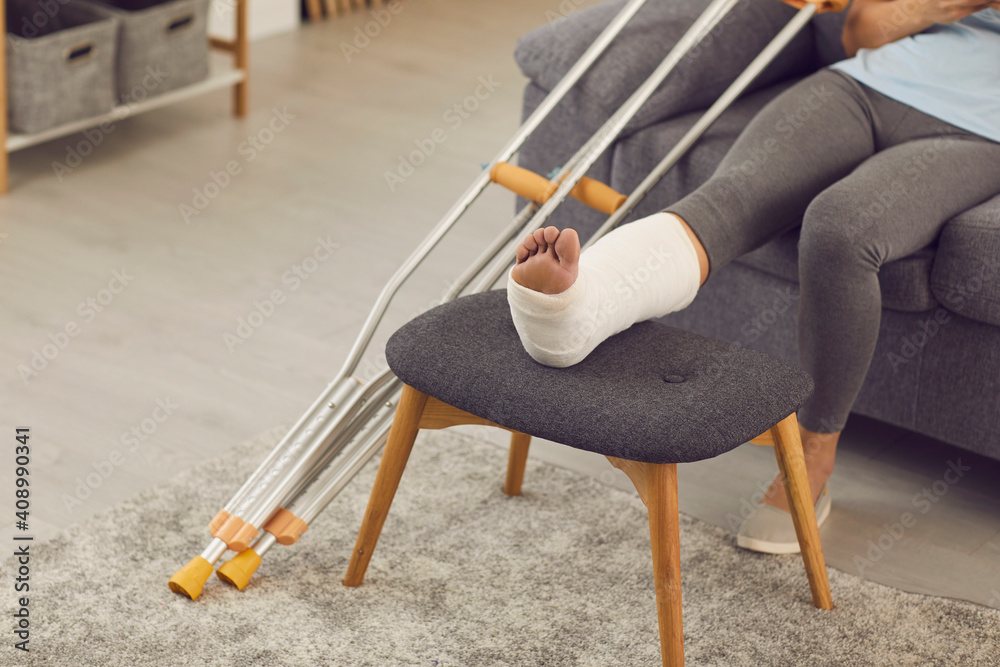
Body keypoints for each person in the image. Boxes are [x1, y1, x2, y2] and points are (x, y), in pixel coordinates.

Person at [506, 0, 1000, 553]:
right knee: (728, 201)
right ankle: (575, 305)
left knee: (839, 231)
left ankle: (813, 454)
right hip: (865, 87)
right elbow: (860, 32)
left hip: (980, 132)